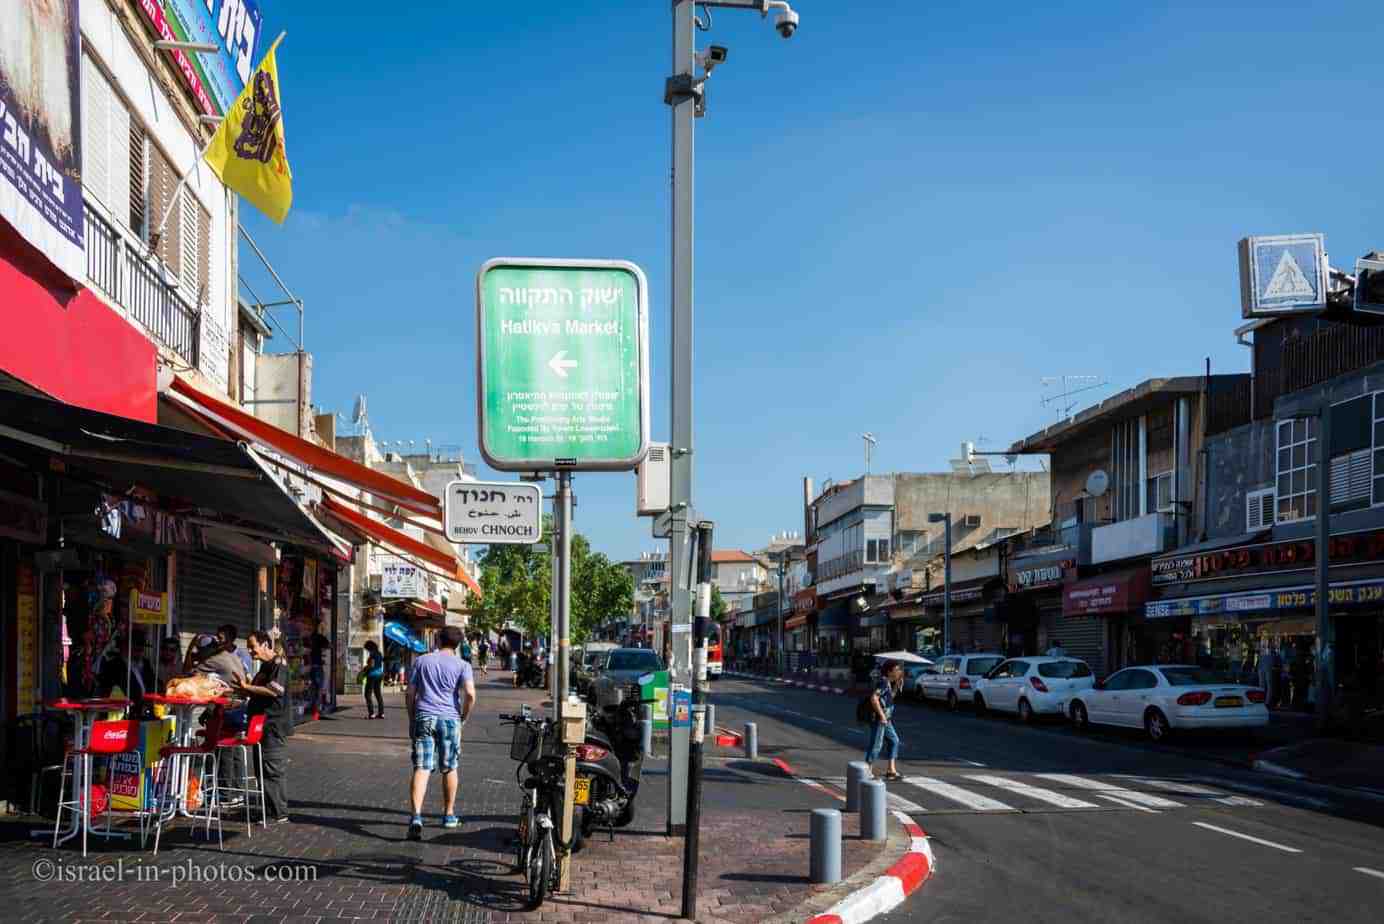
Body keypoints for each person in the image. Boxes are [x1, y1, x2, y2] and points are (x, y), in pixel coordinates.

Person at [405, 625, 477, 840]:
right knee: (449, 767)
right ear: (458, 644)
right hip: (450, 718)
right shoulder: (463, 665)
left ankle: (416, 817)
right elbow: (470, 694)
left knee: (422, 767)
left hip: (424, 716)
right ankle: (449, 815)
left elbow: (410, 693)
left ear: (437, 640)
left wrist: (412, 718)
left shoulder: (421, 661)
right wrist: (463, 717)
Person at [234, 630, 293, 823]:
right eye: (248, 648)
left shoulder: (278, 664)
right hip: (260, 725)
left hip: (273, 725)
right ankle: (268, 809)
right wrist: (240, 689)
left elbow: (274, 690)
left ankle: (278, 813)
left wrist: (247, 687)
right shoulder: (265, 667)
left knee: (272, 768)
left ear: (265, 644)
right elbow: (256, 691)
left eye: (253, 647)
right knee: (261, 768)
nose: (250, 651)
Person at [866, 660, 903, 781]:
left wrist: (897, 686)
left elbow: (889, 698)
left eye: (899, 670)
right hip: (880, 719)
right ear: (889, 671)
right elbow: (874, 698)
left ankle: (891, 770)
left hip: (886, 719)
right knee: (876, 744)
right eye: (897, 670)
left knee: (894, 741)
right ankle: (867, 770)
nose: (899, 672)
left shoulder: (887, 683)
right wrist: (881, 716)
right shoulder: (883, 682)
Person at [305, 621, 331, 715]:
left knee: (311, 687)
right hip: (317, 665)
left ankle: (311, 706)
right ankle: (316, 709)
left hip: (308, 666)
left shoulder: (308, 637)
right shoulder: (319, 637)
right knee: (318, 688)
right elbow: (329, 646)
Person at [360, 640, 386, 719]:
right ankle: (381, 713)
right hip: (380, 675)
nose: (367, 650)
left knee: (367, 694)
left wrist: (364, 669)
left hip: (372, 675)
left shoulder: (373, 654)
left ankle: (371, 713)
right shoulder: (379, 653)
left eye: (367, 648)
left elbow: (371, 665)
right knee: (378, 694)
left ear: (369, 647)